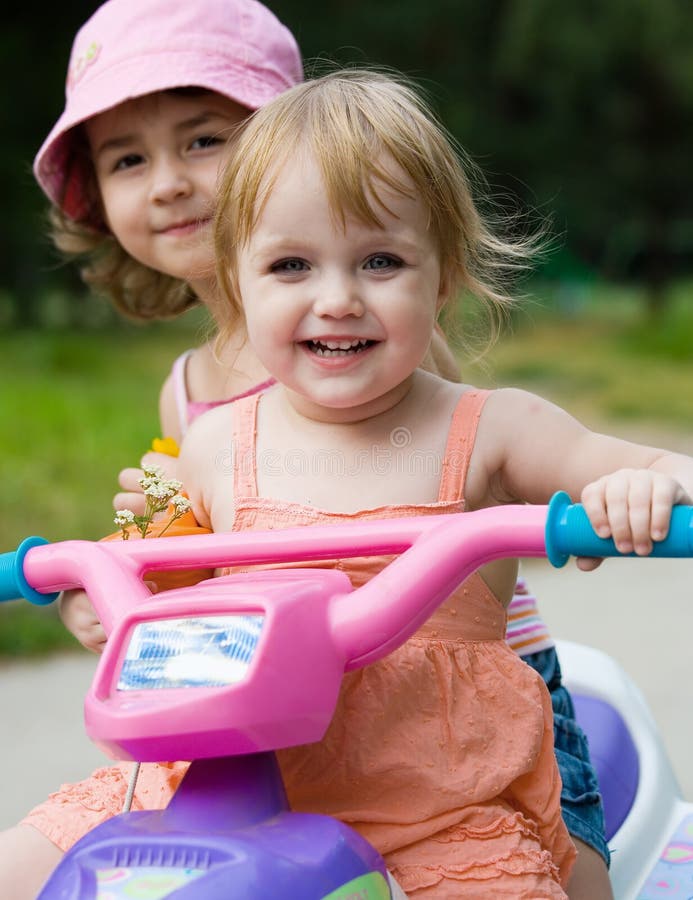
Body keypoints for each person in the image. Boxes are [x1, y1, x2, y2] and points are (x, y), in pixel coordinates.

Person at [13, 1, 611, 896]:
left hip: (449, 705)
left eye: (202, 140)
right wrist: (131, 584)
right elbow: (201, 561)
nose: (169, 183)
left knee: (544, 874)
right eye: (128, 159)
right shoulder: (191, 394)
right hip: (277, 712)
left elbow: (452, 453)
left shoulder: (377, 348)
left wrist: (618, 495)